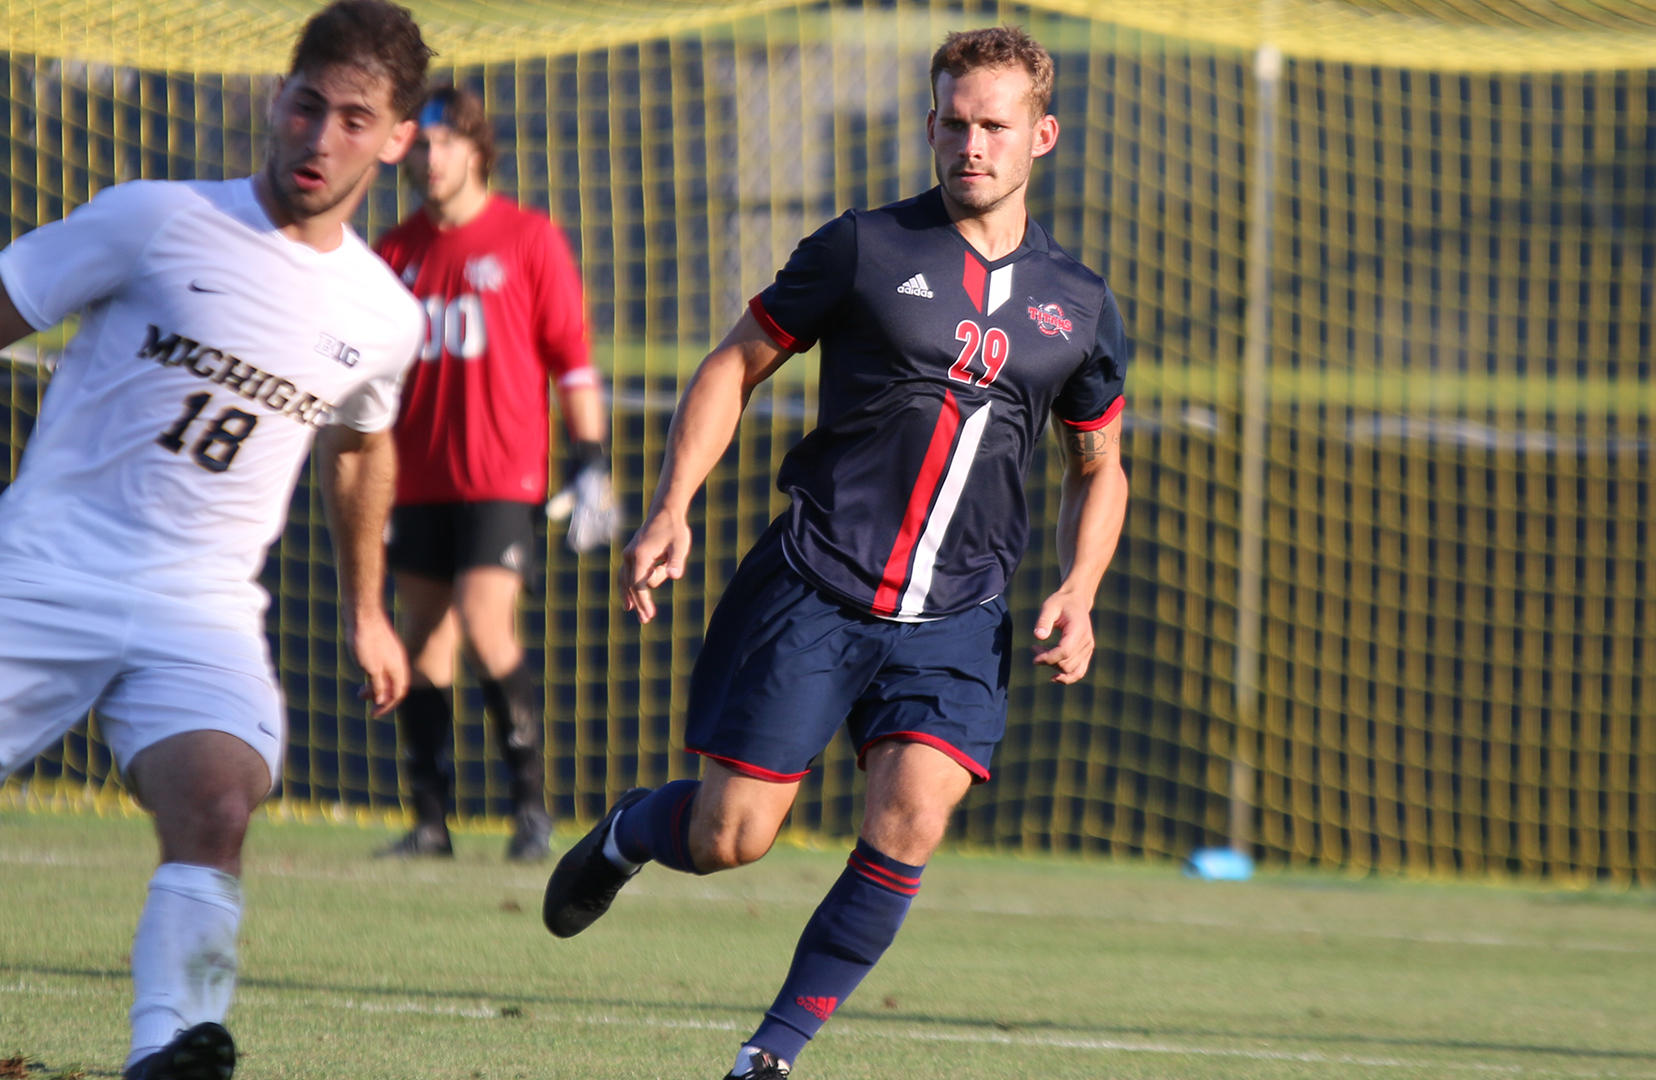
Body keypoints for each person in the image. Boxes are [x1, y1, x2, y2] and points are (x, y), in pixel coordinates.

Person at [543, 26, 1130, 1079]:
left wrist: (1081, 588)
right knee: (734, 839)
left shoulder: (1079, 304)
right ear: (931, 122)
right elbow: (735, 364)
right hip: (817, 585)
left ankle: (771, 1054)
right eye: (953, 121)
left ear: (1042, 135)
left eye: (995, 126)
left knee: (911, 818)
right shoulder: (866, 247)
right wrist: (672, 504)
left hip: (958, 616)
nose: (971, 145)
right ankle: (633, 833)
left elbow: (1102, 467)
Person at [0, 2, 431, 1075]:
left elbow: (360, 445)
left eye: (353, 118)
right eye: (306, 106)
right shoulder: (153, 218)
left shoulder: (384, 315)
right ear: (273, 101)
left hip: (201, 607)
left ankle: (173, 1051)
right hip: (43, 569)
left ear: (396, 140)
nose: (321, 138)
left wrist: (367, 606)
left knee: (220, 799)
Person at [372, 84, 611, 863]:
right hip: (415, 478)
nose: (429, 157)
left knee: (484, 622)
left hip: (502, 477)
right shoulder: (395, 251)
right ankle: (430, 822)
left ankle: (530, 810)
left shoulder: (528, 237)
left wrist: (591, 462)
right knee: (423, 646)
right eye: (419, 144)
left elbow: (572, 361)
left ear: (476, 149)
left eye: (443, 142)